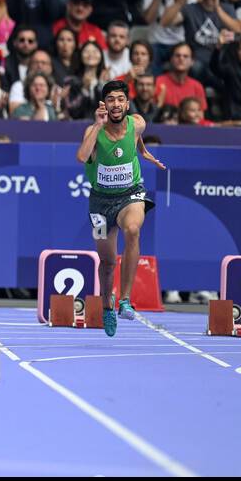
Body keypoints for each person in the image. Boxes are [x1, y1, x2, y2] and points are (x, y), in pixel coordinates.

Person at [76, 81, 166, 337]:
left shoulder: (137, 123)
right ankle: (107, 306)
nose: (116, 104)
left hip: (131, 194)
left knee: (133, 229)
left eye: (120, 99)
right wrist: (97, 125)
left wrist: (144, 153)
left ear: (127, 103)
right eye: (110, 100)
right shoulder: (93, 132)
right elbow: (82, 157)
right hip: (101, 203)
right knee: (106, 262)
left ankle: (125, 299)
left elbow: (136, 139)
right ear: (103, 105)